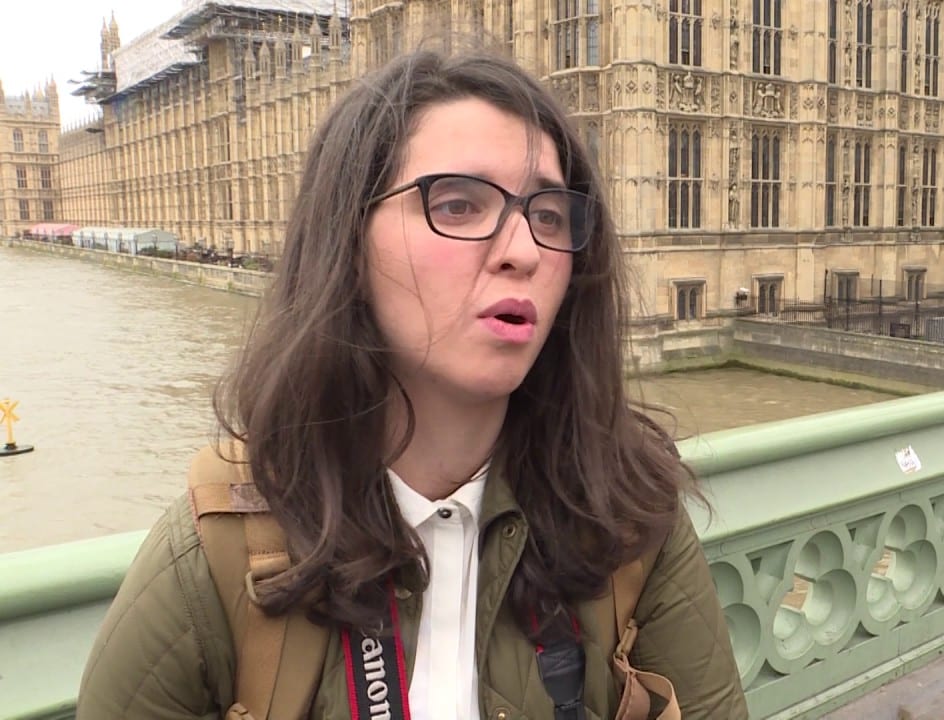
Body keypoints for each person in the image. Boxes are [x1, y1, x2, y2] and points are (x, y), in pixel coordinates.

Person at [77, 49, 747, 719]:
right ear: (347, 243)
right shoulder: (215, 557)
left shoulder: (628, 521)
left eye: (548, 215)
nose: (525, 250)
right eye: (458, 205)